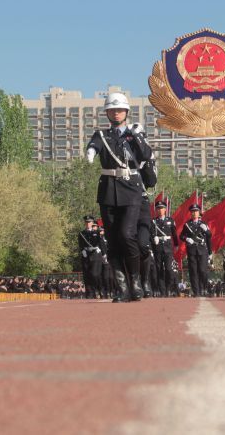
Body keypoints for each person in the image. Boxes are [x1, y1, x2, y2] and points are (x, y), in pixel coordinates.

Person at [86, 92, 153, 303]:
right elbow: (94, 146)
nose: (116, 113)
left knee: (127, 234)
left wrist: (137, 136)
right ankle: (122, 288)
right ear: (107, 113)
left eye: (120, 110)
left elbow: (145, 155)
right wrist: (91, 152)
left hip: (131, 189)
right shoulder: (102, 135)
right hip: (108, 190)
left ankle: (135, 282)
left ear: (126, 112)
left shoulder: (133, 134)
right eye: (112, 110)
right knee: (113, 240)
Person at [180, 204, 212, 297]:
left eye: (196, 211)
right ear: (191, 213)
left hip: (202, 250)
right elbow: (181, 236)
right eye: (192, 211)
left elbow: (209, 236)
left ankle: (204, 288)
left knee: (202, 270)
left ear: (199, 213)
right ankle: (196, 291)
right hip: (192, 250)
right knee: (193, 271)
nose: (194, 213)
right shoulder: (187, 225)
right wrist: (187, 239)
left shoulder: (203, 224)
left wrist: (206, 230)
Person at [152, 200, 178, 297]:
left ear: (165, 209)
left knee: (168, 269)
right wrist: (153, 238)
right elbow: (151, 233)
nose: (160, 210)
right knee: (159, 269)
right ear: (156, 210)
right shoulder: (153, 221)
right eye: (158, 208)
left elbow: (174, 233)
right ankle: (162, 291)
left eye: (162, 208)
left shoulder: (170, 220)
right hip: (157, 247)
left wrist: (176, 244)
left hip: (168, 247)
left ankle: (168, 288)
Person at [78, 215, 103, 298]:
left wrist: (101, 250)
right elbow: (80, 244)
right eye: (86, 222)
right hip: (86, 254)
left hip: (95, 254)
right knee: (87, 275)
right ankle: (89, 293)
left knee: (95, 274)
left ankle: (99, 289)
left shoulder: (97, 232)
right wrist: (83, 250)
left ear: (92, 223)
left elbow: (101, 242)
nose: (88, 223)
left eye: (89, 222)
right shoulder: (82, 233)